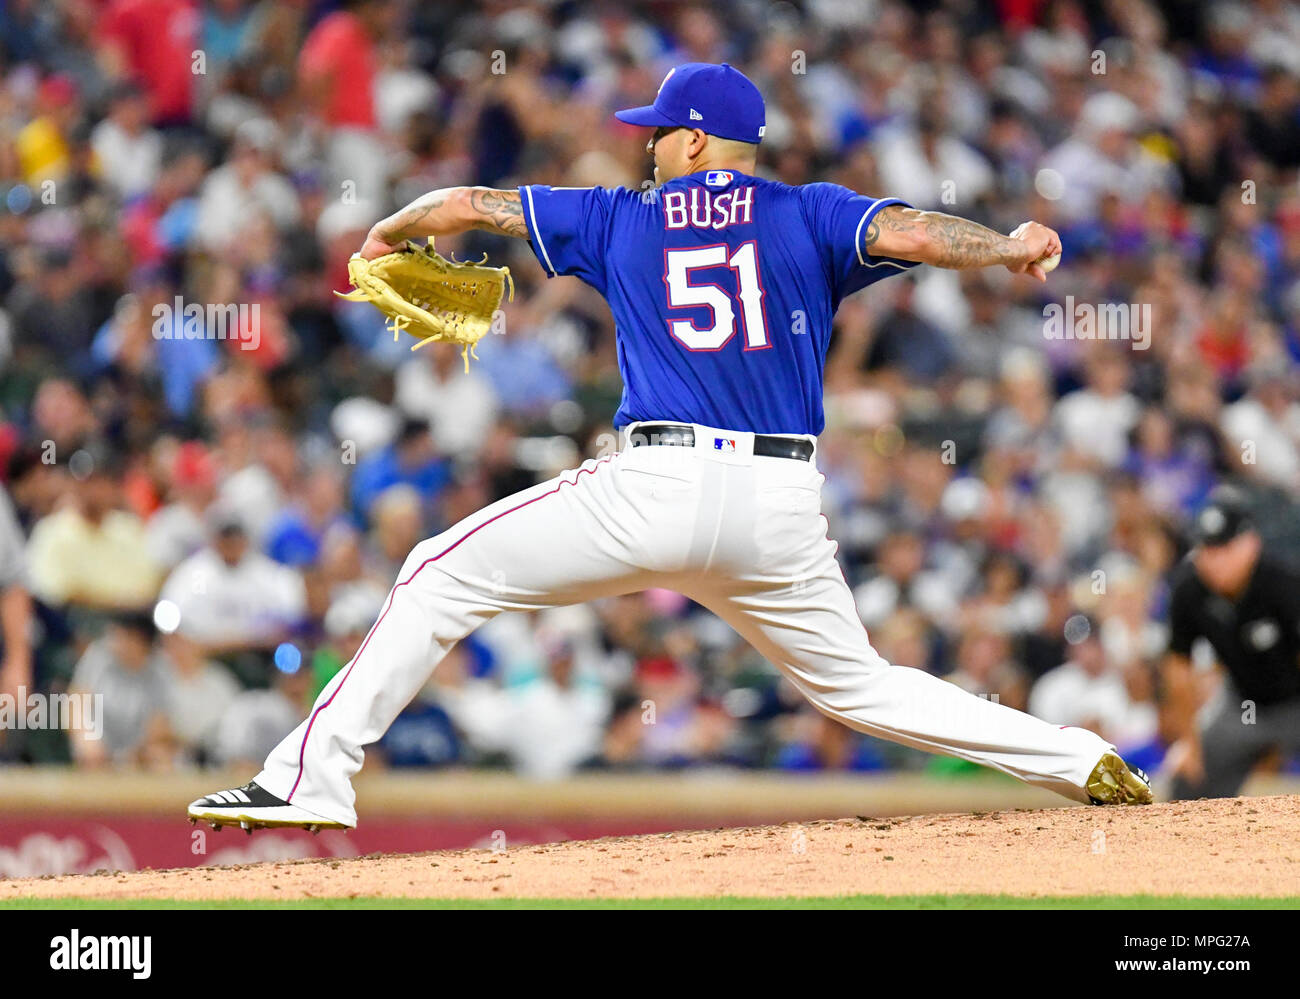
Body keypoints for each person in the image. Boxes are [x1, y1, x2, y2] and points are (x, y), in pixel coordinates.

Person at [191, 62, 1150, 832]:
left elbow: (474, 205)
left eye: (657, 130)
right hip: (780, 503)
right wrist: (1008, 245)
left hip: (656, 485)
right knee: (861, 686)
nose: (645, 146)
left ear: (695, 137)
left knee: (436, 571)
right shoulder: (807, 211)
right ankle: (1077, 757)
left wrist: (388, 229)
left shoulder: (621, 217)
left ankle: (311, 781)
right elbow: (913, 230)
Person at [1163, 485, 1300, 799]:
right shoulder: (1190, 590)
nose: (1213, 561)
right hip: (1242, 706)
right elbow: (1177, 669)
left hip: (1296, 703)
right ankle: (1188, 848)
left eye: (1223, 548)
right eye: (1206, 550)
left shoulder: (1283, 583)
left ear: (1250, 544)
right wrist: (1189, 742)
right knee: (1187, 784)